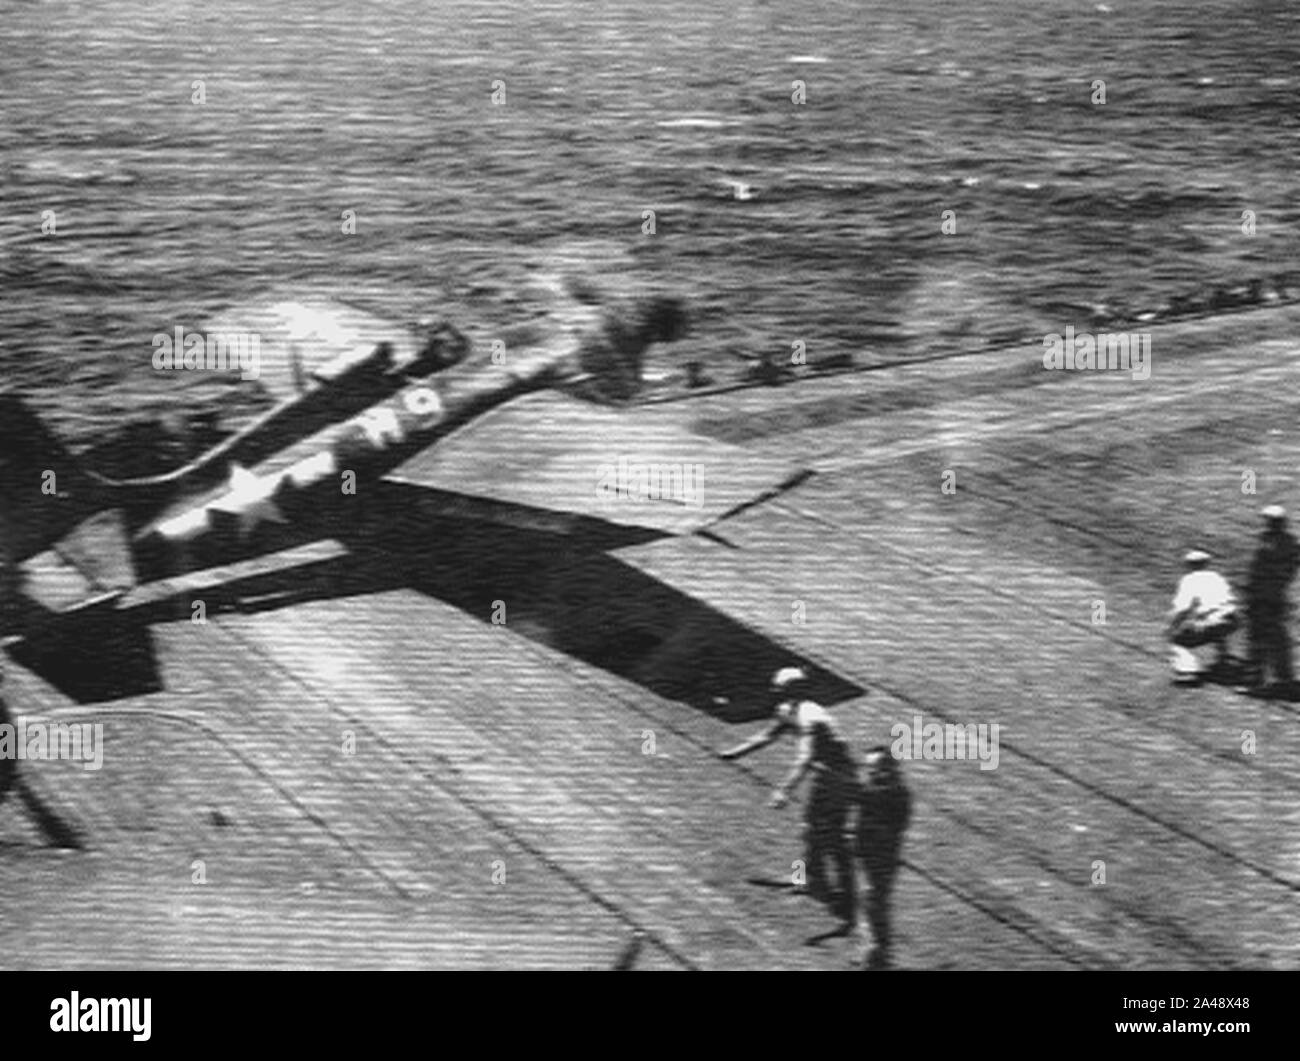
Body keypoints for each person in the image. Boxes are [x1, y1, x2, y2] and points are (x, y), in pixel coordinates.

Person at [718, 666, 858, 924]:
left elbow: (805, 758)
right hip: (828, 776)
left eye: (780, 690)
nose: (777, 694)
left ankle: (840, 893)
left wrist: (784, 791)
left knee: (829, 836)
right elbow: (767, 736)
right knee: (812, 830)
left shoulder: (810, 717)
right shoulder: (790, 710)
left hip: (839, 780)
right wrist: (735, 752)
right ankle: (811, 879)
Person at [856, 748, 911, 970]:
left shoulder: (894, 792)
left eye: (873, 767)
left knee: (873, 902)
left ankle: (876, 954)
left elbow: (892, 824)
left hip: (882, 856)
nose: (869, 771)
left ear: (887, 768)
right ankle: (877, 952)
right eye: (868, 767)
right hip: (871, 854)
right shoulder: (879, 789)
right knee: (872, 903)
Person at [1243, 505, 1299, 694]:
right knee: (1278, 639)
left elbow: (1259, 571)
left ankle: (1255, 682)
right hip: (1276, 597)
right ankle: (1284, 679)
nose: (1265, 525)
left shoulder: (1270, 543)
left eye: (1268, 521)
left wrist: (1251, 592)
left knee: (1258, 639)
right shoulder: (1291, 543)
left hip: (1263, 597)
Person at [1166, 550, 1239, 684]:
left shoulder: (1189, 580)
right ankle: (1224, 663)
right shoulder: (1216, 577)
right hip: (1233, 618)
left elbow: (1183, 609)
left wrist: (1171, 627)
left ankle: (1188, 671)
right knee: (1218, 633)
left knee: (1178, 640)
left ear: (1188, 565)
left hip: (1212, 619)